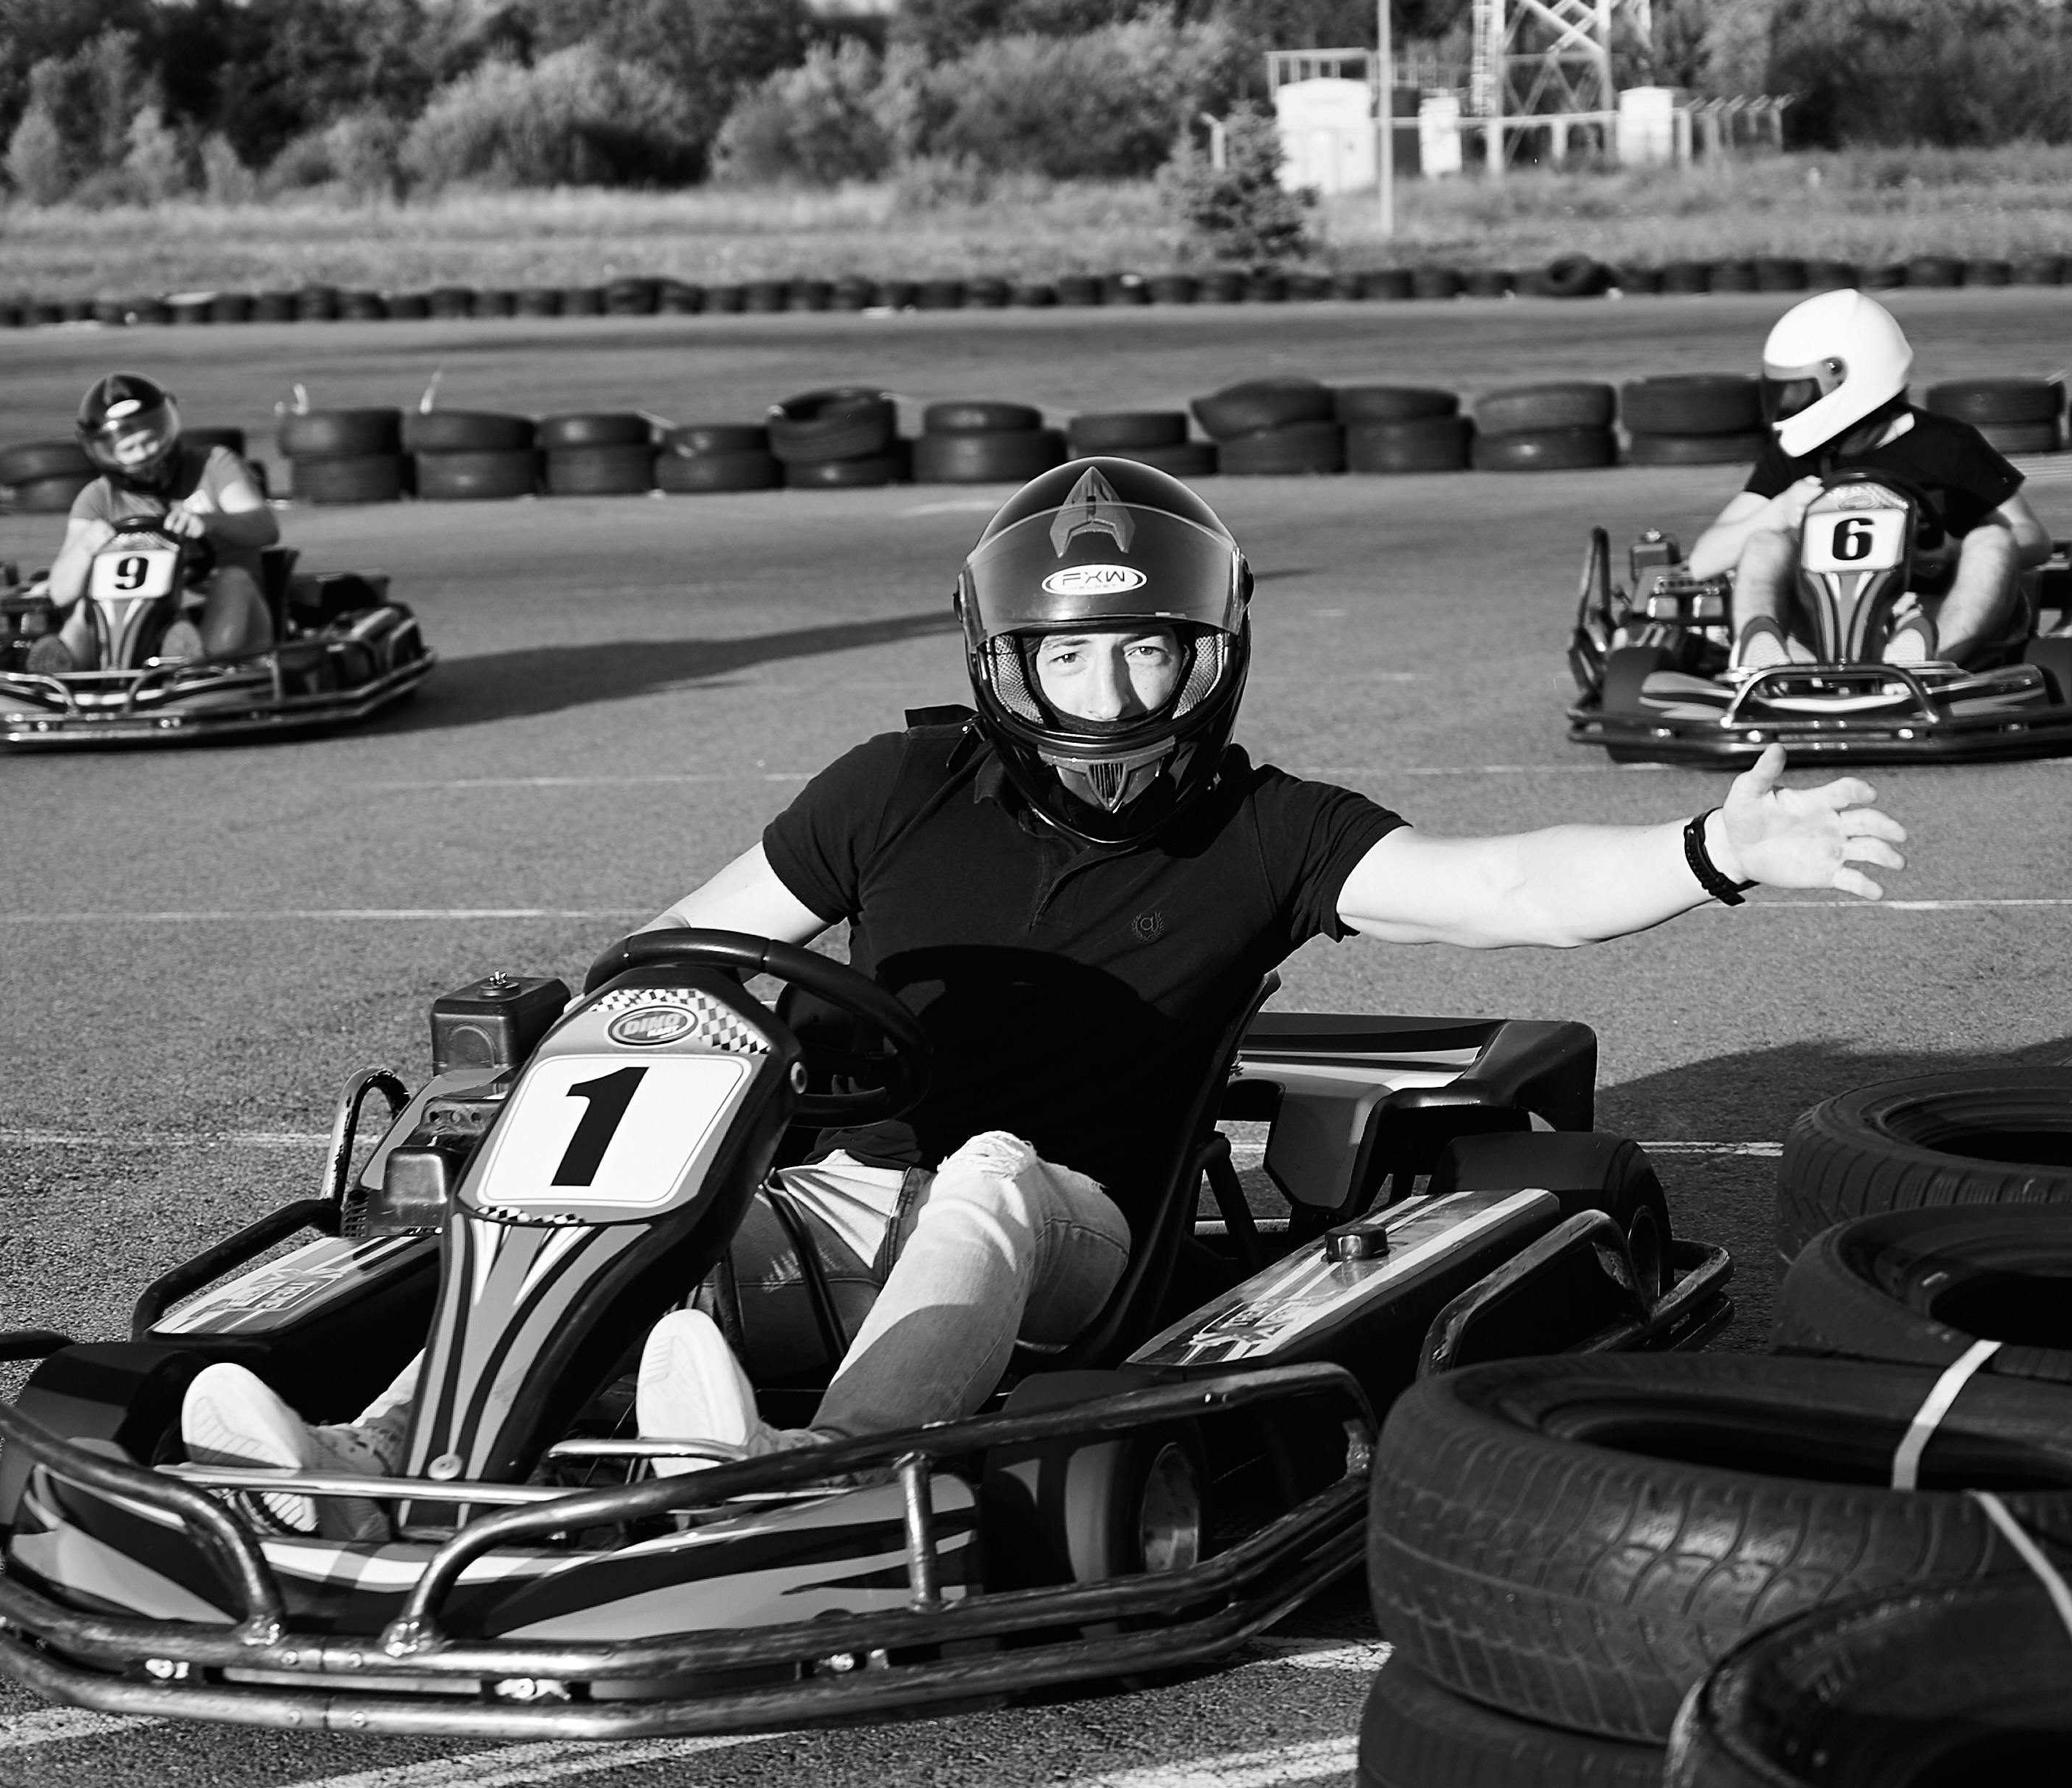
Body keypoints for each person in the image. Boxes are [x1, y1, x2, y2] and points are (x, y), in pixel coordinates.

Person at [183, 459, 1905, 1529]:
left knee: (994, 1168)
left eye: (1146, 645)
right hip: (849, 1200)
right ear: (1009, 657)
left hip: (1072, 1238)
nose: (1112, 681)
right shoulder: (891, 789)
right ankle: (373, 1448)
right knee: (681, 1188)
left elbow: (1505, 887)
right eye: (1073, 651)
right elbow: (682, 958)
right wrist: (573, 1088)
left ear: (1203, 652)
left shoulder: (1266, 830)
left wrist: (1715, 849)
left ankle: (822, 1483)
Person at [1683, 290, 2049, 671]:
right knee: (1763, 543)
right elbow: (1704, 560)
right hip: (1821, 627)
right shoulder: (1796, 455)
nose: (1788, 405)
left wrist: (1954, 549)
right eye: (1783, 392)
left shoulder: (1947, 444)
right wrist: (1777, 512)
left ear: (1851, 375)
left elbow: (2033, 537)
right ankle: (1763, 663)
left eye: (1798, 391)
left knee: (1992, 540)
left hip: (1929, 613)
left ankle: (1922, 665)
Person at [31, 372, 279, 673]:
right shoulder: (98, 498)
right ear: (106, 452)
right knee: (86, 605)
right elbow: (60, 592)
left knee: (233, 579)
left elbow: (265, 528)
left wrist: (210, 523)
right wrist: (86, 548)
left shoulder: (214, 464)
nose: (145, 457)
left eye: (149, 442)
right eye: (130, 449)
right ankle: (59, 672)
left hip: (226, 617)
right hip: (137, 624)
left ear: (166, 429)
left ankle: (195, 669)